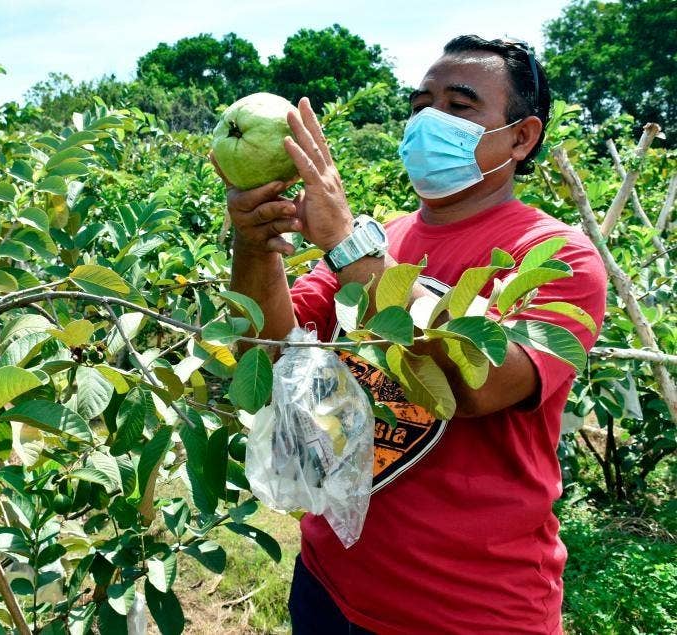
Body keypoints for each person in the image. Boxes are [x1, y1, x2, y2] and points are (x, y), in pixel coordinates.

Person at [221, 35, 608, 633]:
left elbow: (477, 385)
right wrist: (254, 244)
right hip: (329, 584)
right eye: (420, 104)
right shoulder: (386, 240)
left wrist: (349, 244)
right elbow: (270, 358)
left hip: (471, 611)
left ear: (522, 137)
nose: (430, 120)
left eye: (459, 106)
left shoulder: (556, 255)